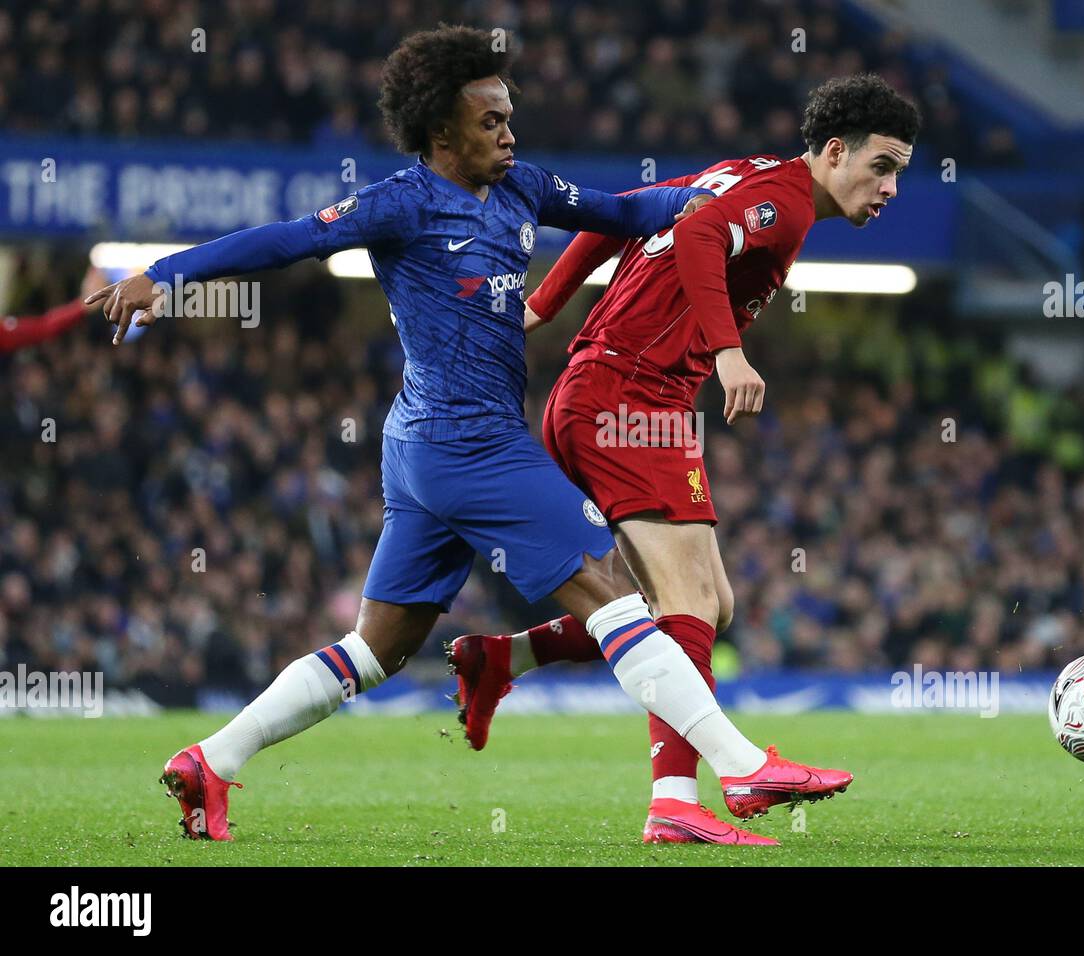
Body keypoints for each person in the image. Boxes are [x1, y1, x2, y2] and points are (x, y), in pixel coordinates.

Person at [85, 25, 850, 845]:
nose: (510, 135)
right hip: (464, 443)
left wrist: (693, 204)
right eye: (491, 122)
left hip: (427, 449)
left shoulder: (520, 188)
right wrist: (167, 274)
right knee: (609, 591)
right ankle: (736, 765)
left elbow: (617, 211)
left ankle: (212, 760)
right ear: (442, 134)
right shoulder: (400, 202)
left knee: (378, 647)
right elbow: (288, 241)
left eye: (510, 117)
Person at [449, 73, 918, 843]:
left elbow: (626, 215)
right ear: (836, 153)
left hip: (608, 394)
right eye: (883, 166)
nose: (892, 186)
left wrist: (544, 304)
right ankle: (677, 803)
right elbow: (694, 237)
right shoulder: (787, 203)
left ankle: (503, 659)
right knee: (690, 606)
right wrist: (731, 355)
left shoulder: (743, 174)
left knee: (708, 607)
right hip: (631, 399)